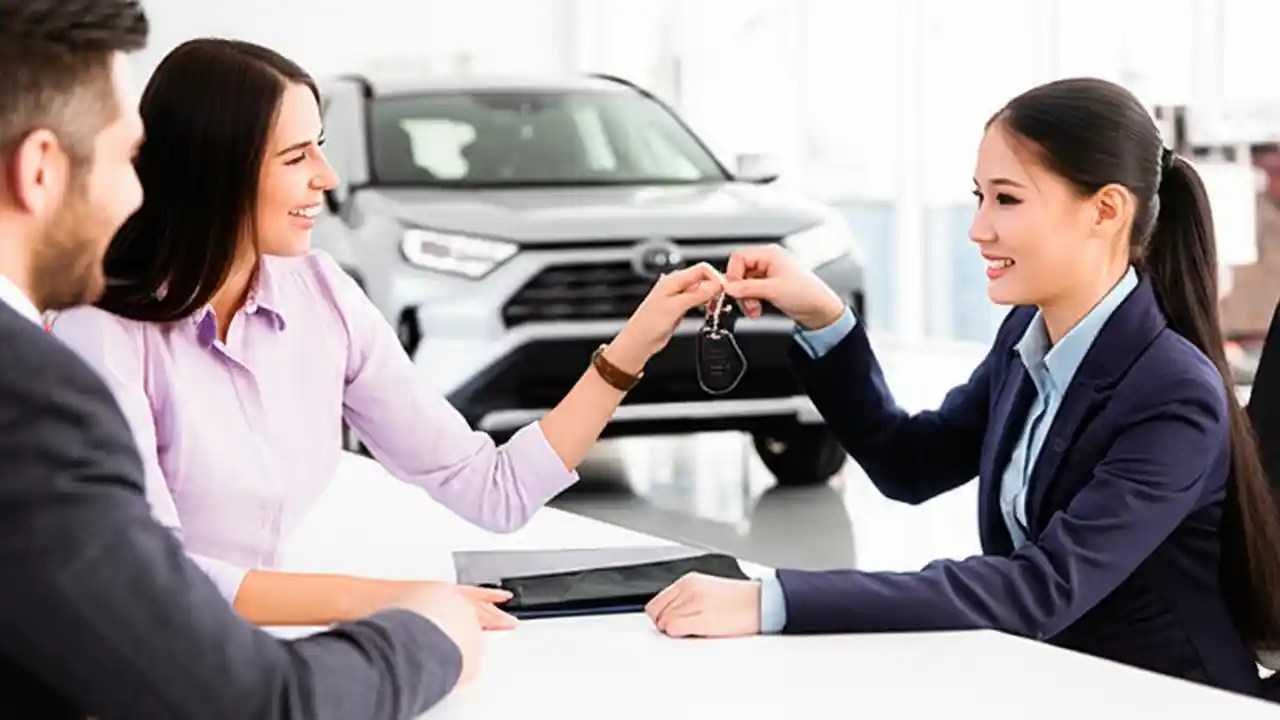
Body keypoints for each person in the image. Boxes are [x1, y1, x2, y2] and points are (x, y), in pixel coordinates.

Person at [50, 38, 724, 629]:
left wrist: (634, 345)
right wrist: (392, 599)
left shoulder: (322, 297)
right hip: (134, 672)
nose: (327, 176)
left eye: (322, 146)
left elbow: (493, 488)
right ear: (216, 172)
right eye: (296, 156)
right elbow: (155, 582)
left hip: (252, 655)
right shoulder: (100, 334)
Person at [644, 77, 1280, 699]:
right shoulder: (1027, 336)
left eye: (1006, 199)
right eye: (978, 197)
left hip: (1173, 699)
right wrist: (824, 316)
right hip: (1068, 686)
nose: (978, 228)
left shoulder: (1172, 392)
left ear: (1106, 210)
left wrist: (773, 600)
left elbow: (1039, 588)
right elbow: (910, 462)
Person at [0, 1, 500, 717]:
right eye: (124, 159)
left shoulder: (319, 292)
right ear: (42, 169)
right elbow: (254, 700)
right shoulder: (34, 397)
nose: (140, 193)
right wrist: (429, 631)